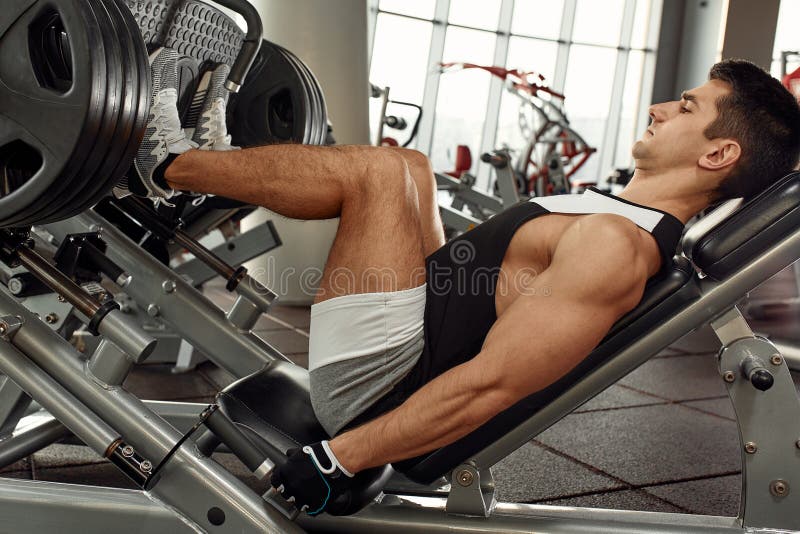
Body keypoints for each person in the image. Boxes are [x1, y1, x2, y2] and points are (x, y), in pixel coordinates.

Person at [120, 53, 800, 514]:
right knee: (410, 168)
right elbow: (477, 291)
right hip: (408, 340)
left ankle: (170, 165)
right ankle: (213, 163)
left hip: (376, 387)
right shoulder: (618, 217)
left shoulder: (617, 247)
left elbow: (492, 385)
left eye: (686, 106)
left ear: (718, 153)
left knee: (380, 175)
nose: (658, 107)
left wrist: (337, 458)